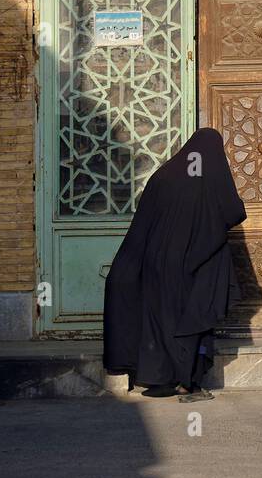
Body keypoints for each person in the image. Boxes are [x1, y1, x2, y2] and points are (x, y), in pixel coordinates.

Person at [103, 127, 246, 403]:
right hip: (196, 261)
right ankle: (186, 383)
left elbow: (144, 221)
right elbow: (233, 211)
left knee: (160, 318)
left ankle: (158, 379)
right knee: (191, 319)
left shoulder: (164, 175)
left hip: (156, 261)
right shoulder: (210, 176)